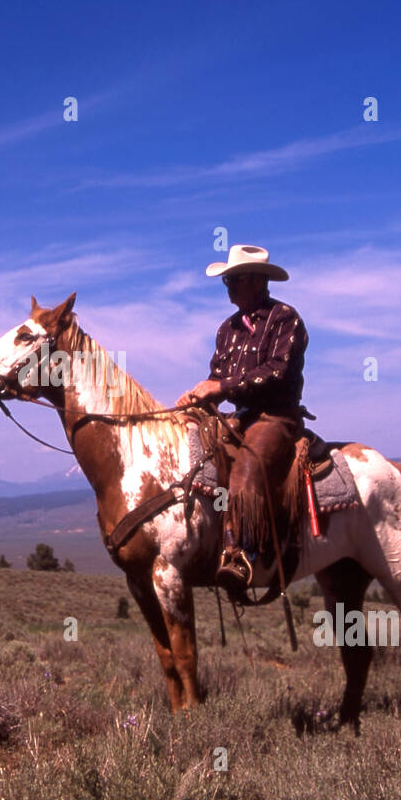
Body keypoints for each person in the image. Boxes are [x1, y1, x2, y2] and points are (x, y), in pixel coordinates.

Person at [175, 244, 309, 590]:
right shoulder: (227, 329)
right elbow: (216, 378)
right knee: (198, 453)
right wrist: (196, 400)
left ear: (254, 280)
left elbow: (276, 372)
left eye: (232, 281)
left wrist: (219, 387)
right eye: (226, 282)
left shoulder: (284, 318)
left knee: (247, 465)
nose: (228, 288)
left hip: (277, 416)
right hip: (241, 416)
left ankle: (241, 554)